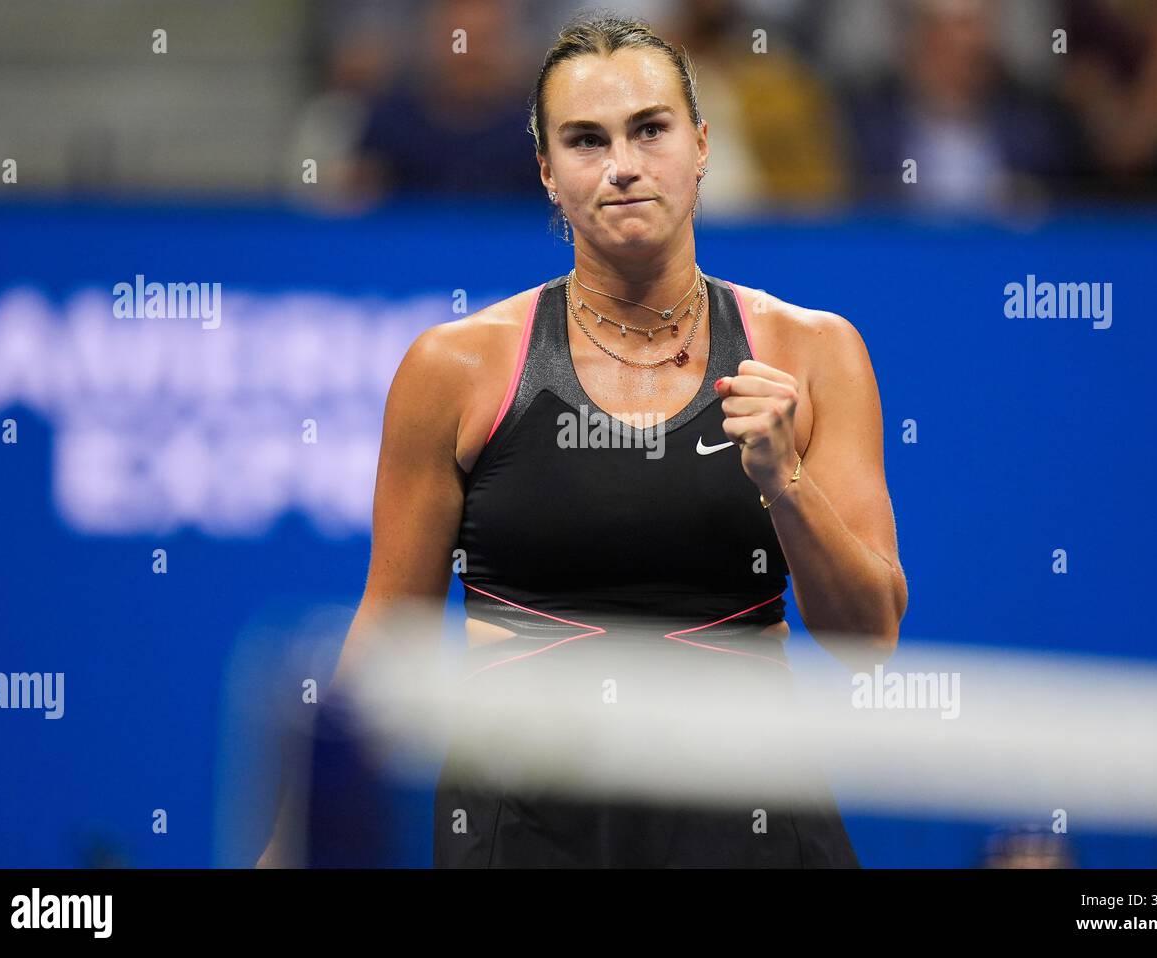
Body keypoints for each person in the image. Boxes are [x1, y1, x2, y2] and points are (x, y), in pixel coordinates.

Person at [261, 10, 906, 869]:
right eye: (586, 141)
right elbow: (391, 634)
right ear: (547, 173)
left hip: (742, 814)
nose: (625, 167)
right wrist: (293, 845)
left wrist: (786, 482)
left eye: (651, 129)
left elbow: (870, 641)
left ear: (703, 144)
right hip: (525, 820)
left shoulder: (816, 351)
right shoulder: (454, 369)